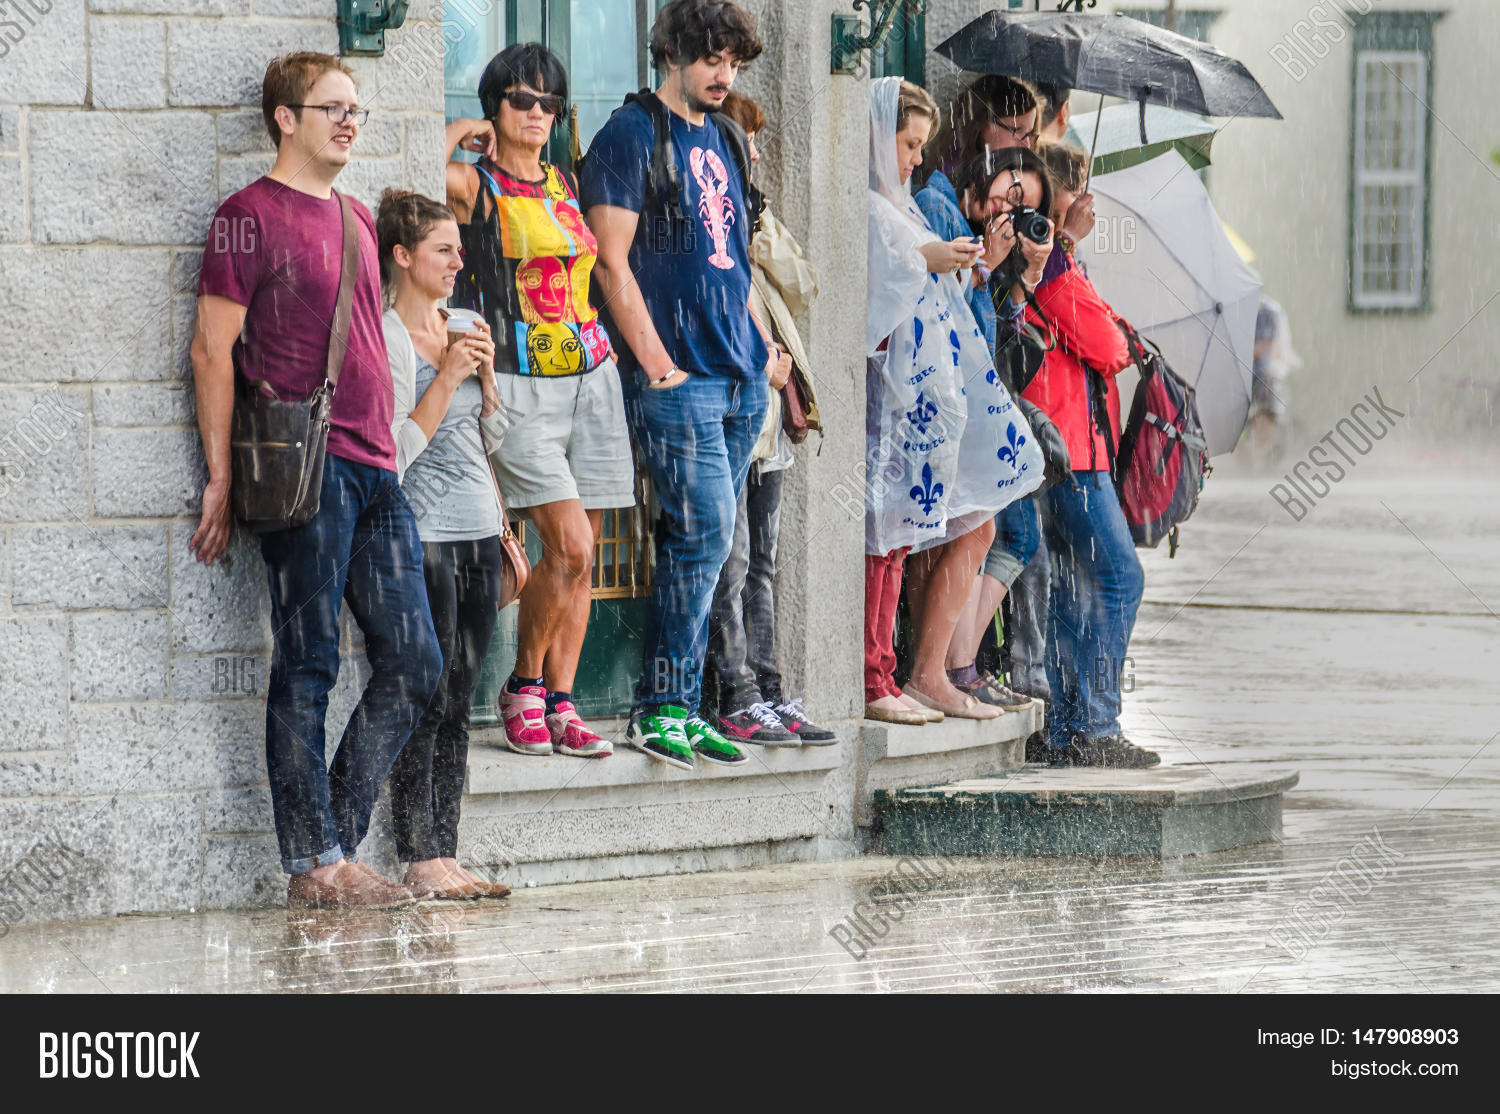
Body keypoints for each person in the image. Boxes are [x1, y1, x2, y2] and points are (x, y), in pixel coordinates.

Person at [189, 53, 443, 910]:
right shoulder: (245, 217)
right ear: (283, 118)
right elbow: (211, 351)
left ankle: (332, 836)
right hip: (307, 467)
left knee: (415, 660)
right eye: (330, 107)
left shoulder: (360, 220)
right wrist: (220, 474)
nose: (348, 121)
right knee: (307, 666)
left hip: (378, 470)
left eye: (356, 110)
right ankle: (316, 863)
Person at [580, 0, 771, 770]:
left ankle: (683, 707)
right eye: (711, 59)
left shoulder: (724, 135)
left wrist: (764, 350)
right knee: (701, 539)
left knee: (716, 547)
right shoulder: (631, 134)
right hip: (679, 378)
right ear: (672, 55)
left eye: (733, 61)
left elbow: (736, 257)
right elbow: (609, 262)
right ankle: (660, 706)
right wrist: (659, 366)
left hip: (738, 374)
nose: (724, 75)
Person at [445, 43, 634, 759]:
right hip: (520, 382)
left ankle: (562, 700)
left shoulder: (563, 179)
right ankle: (522, 685)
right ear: (497, 103)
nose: (537, 113)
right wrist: (462, 129)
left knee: (579, 560)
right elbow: (411, 169)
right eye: (521, 100)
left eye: (549, 102)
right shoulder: (475, 183)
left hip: (592, 376)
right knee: (570, 543)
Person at [864, 76, 1042, 726]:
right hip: (896, 399)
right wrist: (931, 262)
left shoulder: (902, 204)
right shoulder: (877, 208)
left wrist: (978, 267)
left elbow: (954, 306)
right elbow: (872, 300)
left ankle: (905, 669)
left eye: (921, 146)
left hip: (933, 397)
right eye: (908, 144)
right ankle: (882, 671)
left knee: (903, 541)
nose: (915, 157)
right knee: (887, 538)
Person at [377, 189, 512, 901]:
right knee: (426, 694)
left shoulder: (466, 323)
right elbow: (392, 451)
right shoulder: (389, 338)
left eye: (459, 248)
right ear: (403, 257)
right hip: (422, 534)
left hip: (479, 530)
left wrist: (488, 386)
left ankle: (447, 852)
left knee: (462, 694)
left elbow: (493, 441)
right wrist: (450, 377)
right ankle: (416, 852)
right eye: (442, 249)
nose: (460, 261)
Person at [702, 90, 837, 746]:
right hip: (735, 410)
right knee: (733, 557)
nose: (757, 153)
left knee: (765, 560)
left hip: (772, 419)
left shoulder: (751, 218)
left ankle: (769, 687)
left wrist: (756, 227)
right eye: (748, 141)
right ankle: (734, 693)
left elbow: (805, 285)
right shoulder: (696, 225)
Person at [1023, 143, 1160, 770]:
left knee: (1073, 589)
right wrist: (1069, 250)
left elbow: (1107, 335)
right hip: (1069, 452)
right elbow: (1110, 346)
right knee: (1118, 577)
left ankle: (1066, 727)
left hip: (1073, 445)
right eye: (1079, 185)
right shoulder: (1049, 261)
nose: (1088, 199)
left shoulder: (1055, 263)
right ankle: (1094, 723)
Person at [916, 149, 1056, 711]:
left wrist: (1020, 277)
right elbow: (951, 312)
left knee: (981, 533)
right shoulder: (939, 205)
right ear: (992, 163)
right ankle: (942, 669)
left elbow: (1000, 341)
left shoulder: (975, 231)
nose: (1009, 206)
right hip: (941, 398)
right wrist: (989, 266)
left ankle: (952, 668)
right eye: (1011, 190)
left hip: (967, 402)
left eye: (1024, 208)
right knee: (971, 533)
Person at [926, 74, 1038, 186]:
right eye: (1016, 130)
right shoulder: (952, 179)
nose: (1027, 145)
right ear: (981, 125)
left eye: (1030, 133)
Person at [1247, 297, 1297, 469]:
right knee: (1258, 417)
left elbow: (1267, 348)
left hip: (1264, 377)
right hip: (1252, 377)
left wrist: (1244, 349)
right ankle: (1259, 457)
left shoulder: (1267, 312)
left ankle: (1266, 455)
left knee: (1264, 414)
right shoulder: (1237, 310)